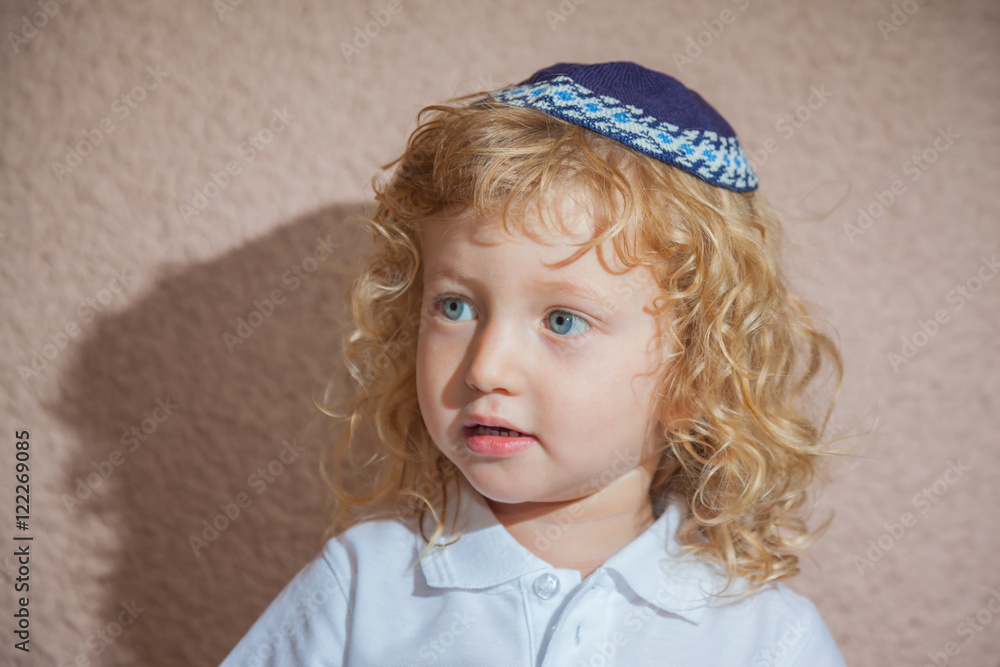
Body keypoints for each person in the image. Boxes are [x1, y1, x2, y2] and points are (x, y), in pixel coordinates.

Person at [221, 61, 846, 666]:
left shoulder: (766, 639)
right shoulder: (362, 590)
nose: (485, 367)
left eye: (563, 321)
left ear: (696, 377)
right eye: (456, 305)